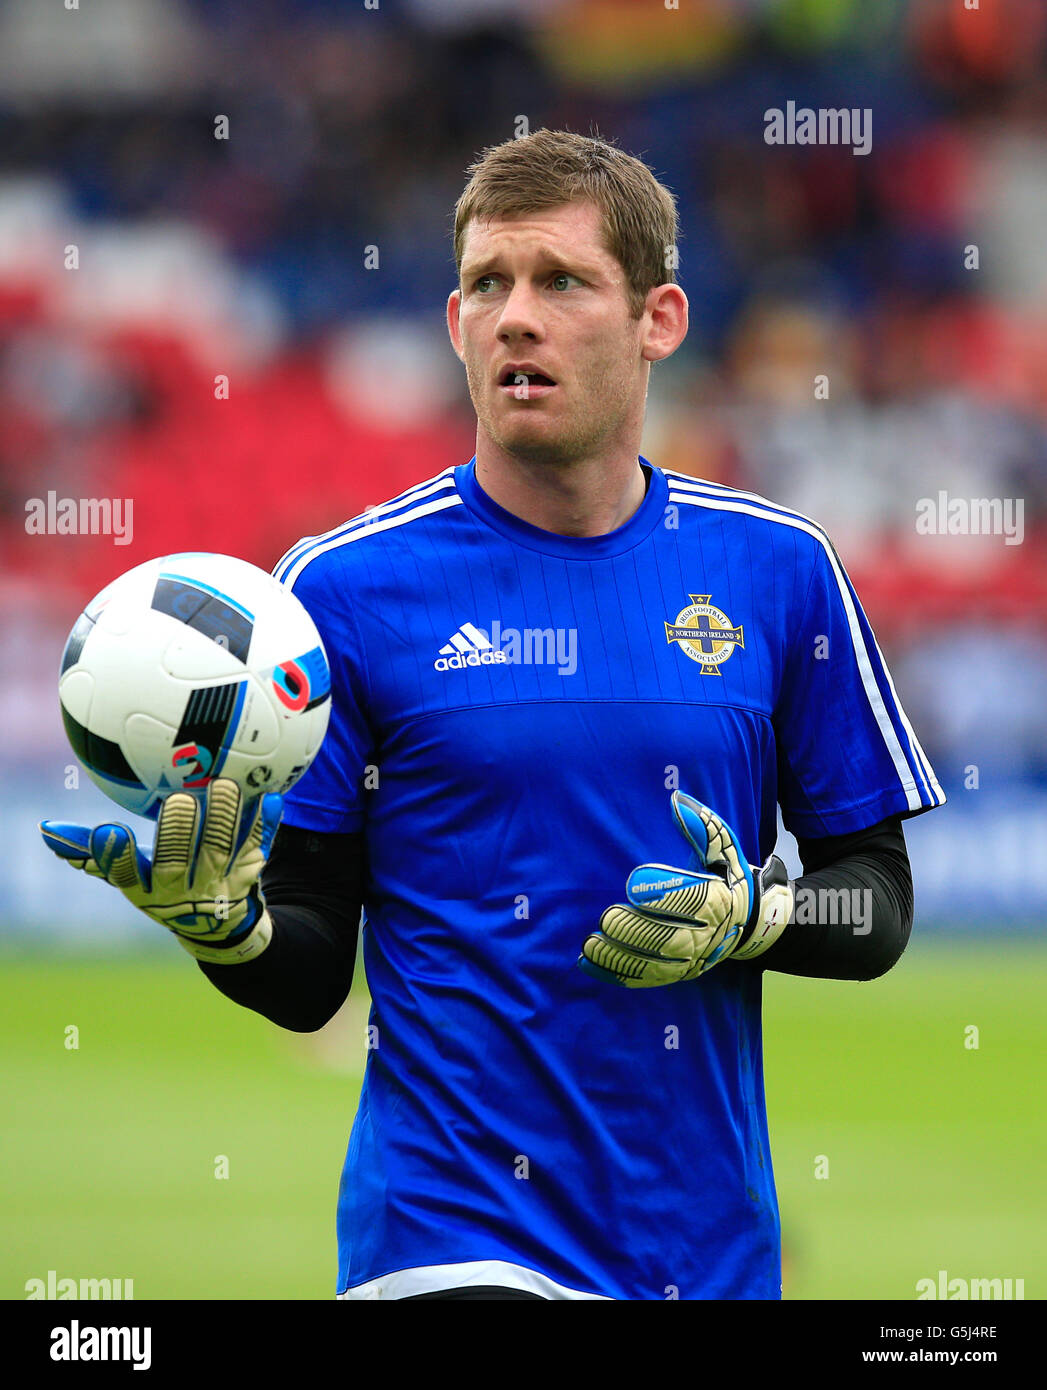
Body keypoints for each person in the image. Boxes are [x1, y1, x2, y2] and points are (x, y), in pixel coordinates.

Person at [42, 129, 945, 1301]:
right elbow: (311, 959)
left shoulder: (781, 568)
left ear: (658, 320)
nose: (517, 316)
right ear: (457, 323)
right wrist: (228, 928)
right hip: (445, 1233)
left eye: (562, 281)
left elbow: (874, 900)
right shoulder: (344, 590)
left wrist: (757, 916)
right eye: (487, 285)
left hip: (706, 1254)